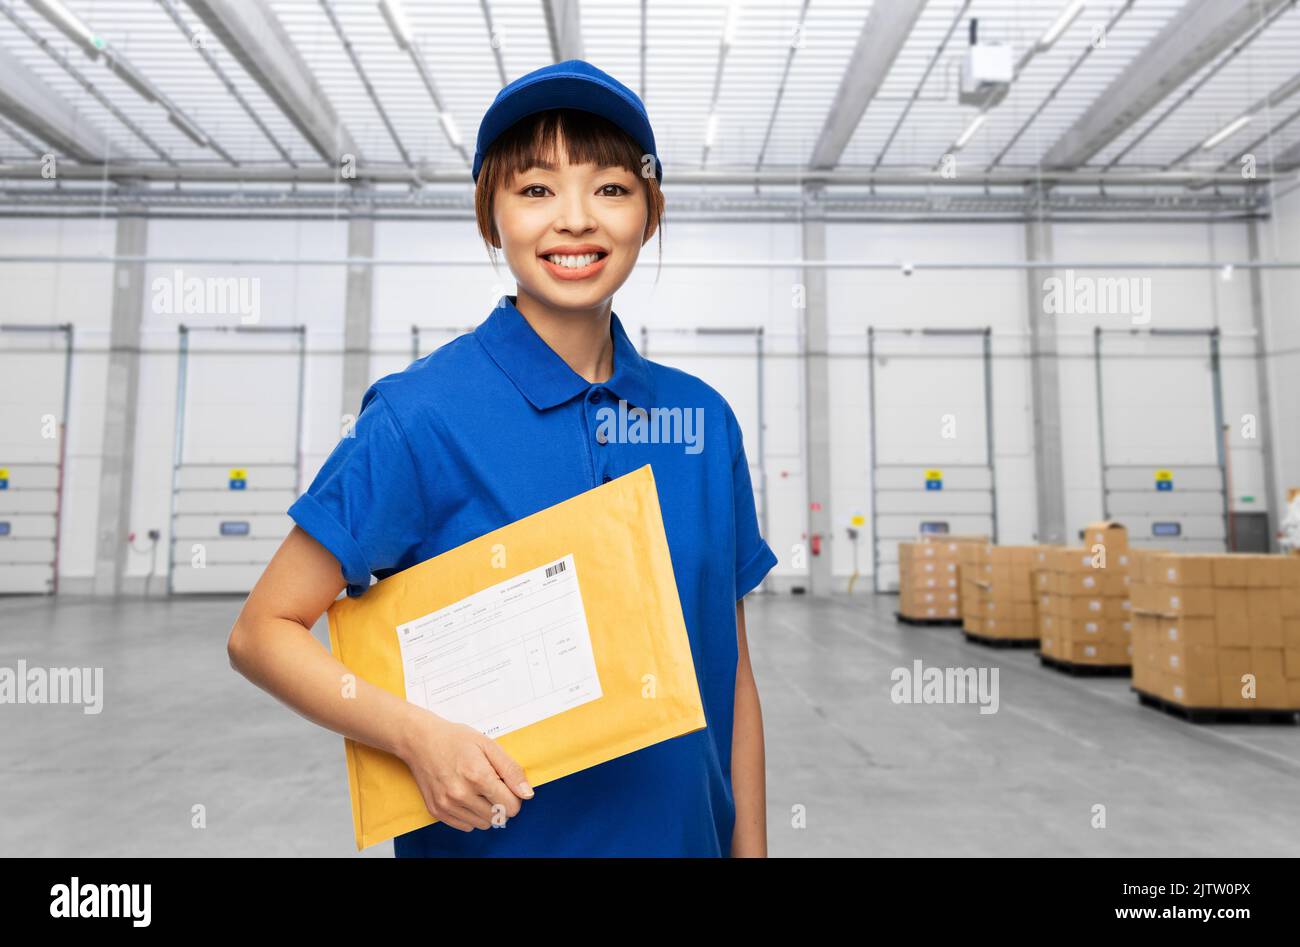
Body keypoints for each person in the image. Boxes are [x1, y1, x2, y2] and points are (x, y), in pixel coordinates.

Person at [227, 60, 778, 857]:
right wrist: (415, 735)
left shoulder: (701, 423)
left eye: (612, 189)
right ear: (492, 217)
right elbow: (261, 632)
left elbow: (731, 675)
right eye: (536, 190)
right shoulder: (420, 416)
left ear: (648, 216)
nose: (577, 220)